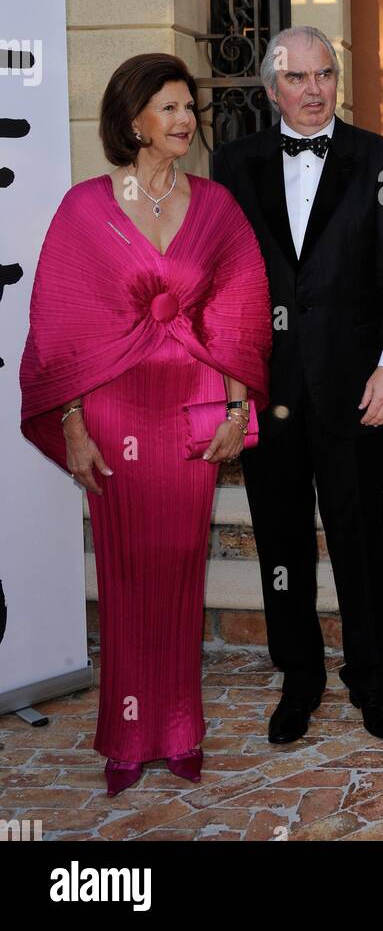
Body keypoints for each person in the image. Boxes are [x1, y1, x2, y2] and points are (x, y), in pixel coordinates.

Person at [19, 54, 272, 798]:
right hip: (113, 408)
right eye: (169, 108)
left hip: (190, 405)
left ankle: (181, 730)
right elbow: (58, 329)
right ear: (132, 120)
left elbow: (240, 315)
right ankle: (128, 736)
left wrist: (235, 406)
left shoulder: (216, 207)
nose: (186, 119)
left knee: (181, 564)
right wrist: (70, 423)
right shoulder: (84, 209)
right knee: (127, 574)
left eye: (189, 106)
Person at [213, 27, 383, 744]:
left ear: (338, 79)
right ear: (271, 88)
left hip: (354, 385)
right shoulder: (232, 163)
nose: (312, 90)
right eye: (296, 78)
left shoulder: (381, 158)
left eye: (324, 74)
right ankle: (297, 678)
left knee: (358, 536)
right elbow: (223, 280)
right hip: (267, 385)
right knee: (280, 541)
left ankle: (370, 680)